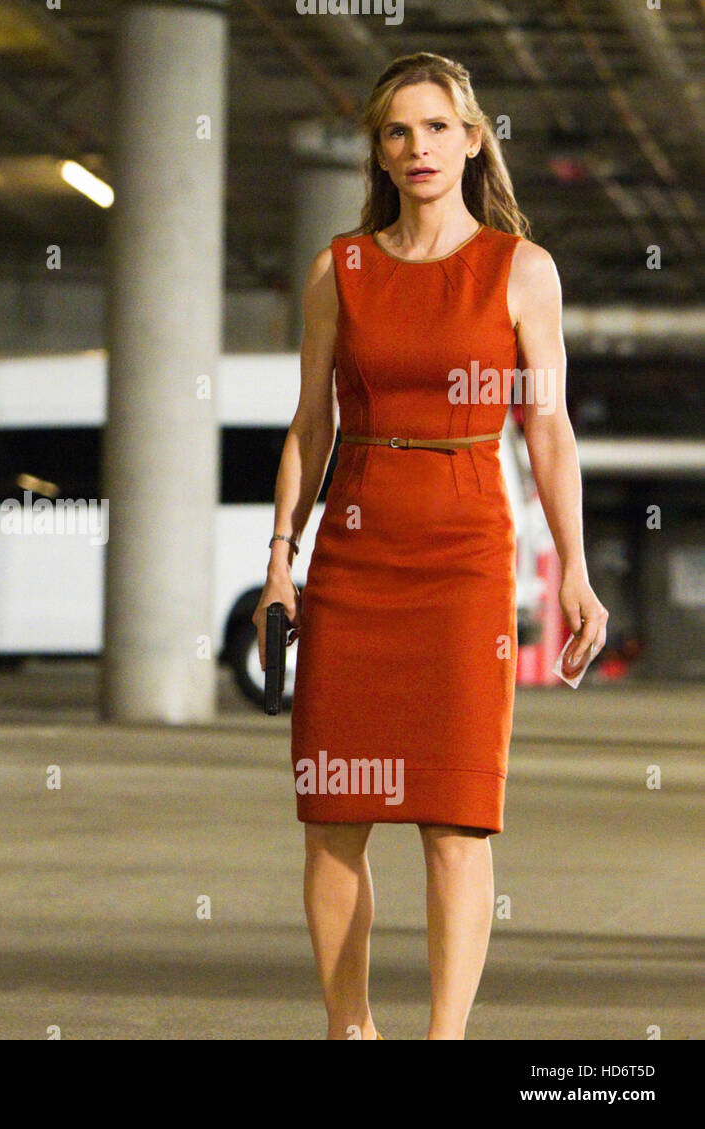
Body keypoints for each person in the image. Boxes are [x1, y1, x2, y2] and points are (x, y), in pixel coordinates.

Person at [253, 53, 608, 1039]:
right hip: (354, 556)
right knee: (333, 817)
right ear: (378, 148)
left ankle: (443, 1039)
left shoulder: (518, 269)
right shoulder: (341, 268)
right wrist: (279, 555)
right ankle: (349, 1025)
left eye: (436, 128)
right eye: (397, 131)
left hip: (463, 555)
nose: (417, 148)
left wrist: (573, 567)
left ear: (472, 138)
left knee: (455, 822)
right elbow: (308, 425)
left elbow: (546, 429)